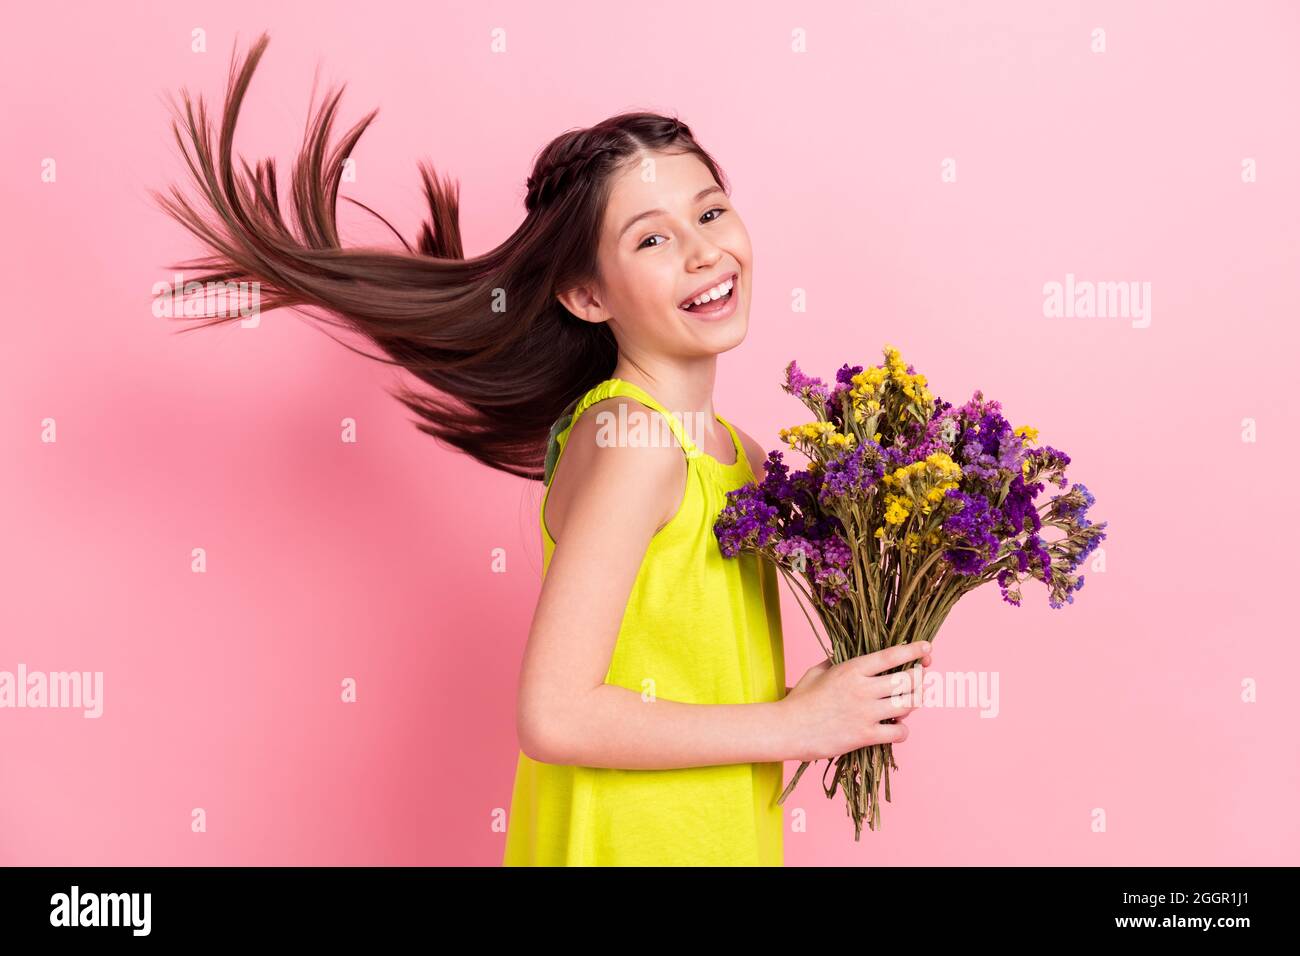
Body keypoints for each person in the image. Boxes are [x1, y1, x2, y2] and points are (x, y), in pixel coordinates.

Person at [153, 32, 933, 867]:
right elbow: (556, 714)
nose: (705, 250)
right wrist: (794, 725)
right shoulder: (633, 438)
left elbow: (684, 679)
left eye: (709, 212)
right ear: (586, 294)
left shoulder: (732, 452)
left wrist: (823, 699)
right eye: (651, 239)